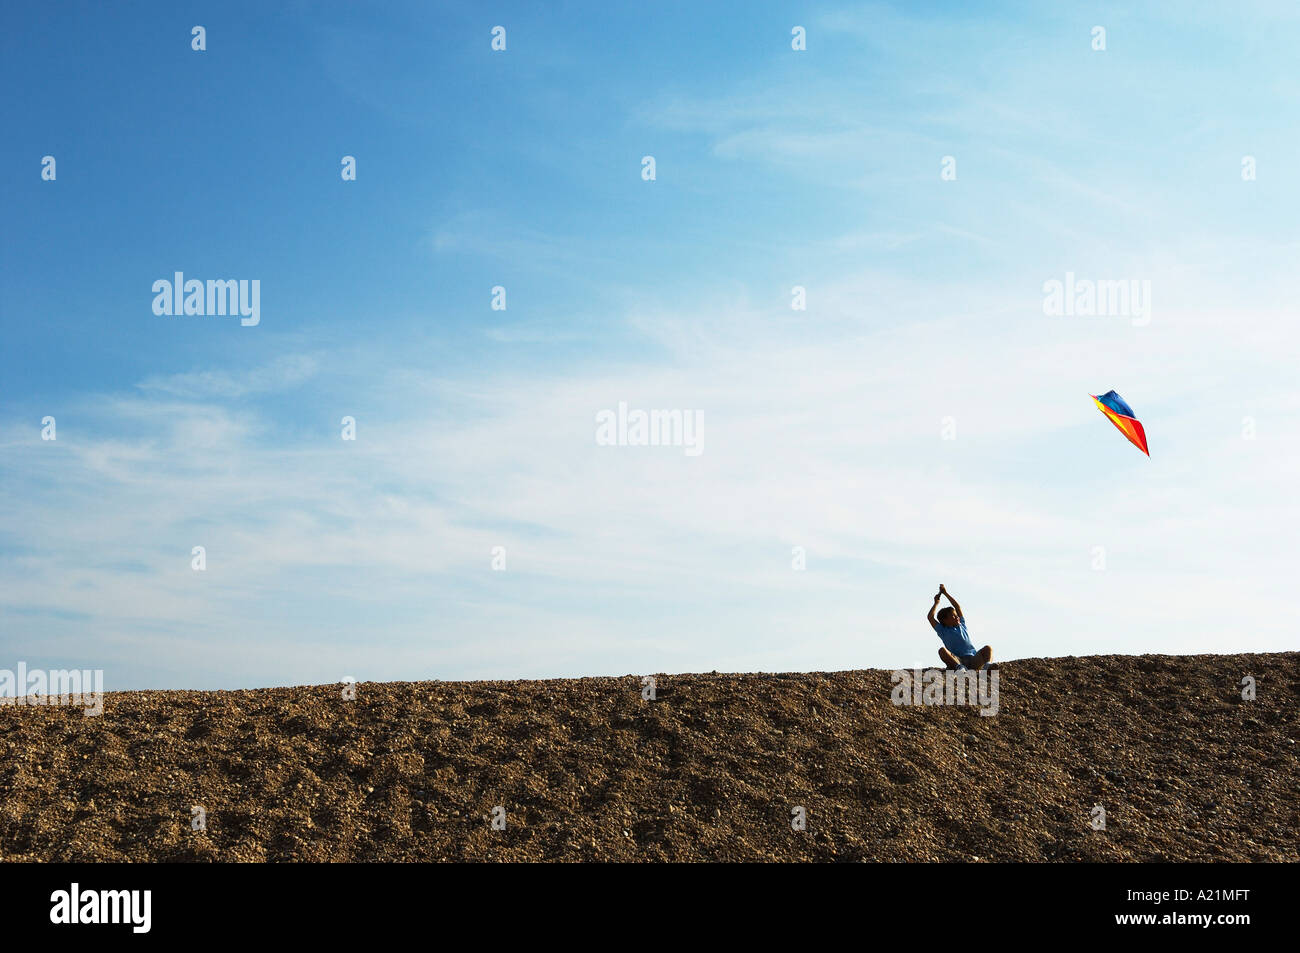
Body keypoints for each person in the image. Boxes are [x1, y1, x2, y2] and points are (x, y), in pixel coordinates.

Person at [927, 584, 993, 671]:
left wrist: (946, 594)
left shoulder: (962, 624)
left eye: (956, 615)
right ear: (945, 621)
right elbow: (930, 617)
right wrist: (936, 603)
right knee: (942, 651)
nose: (957, 617)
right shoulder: (943, 630)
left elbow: (957, 607)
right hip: (958, 660)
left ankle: (987, 666)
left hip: (973, 659)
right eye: (953, 616)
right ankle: (959, 667)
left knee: (988, 648)